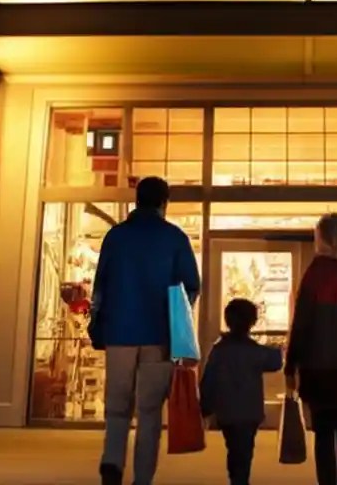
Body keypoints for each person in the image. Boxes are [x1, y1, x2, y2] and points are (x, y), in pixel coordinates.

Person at [92, 177, 201, 485]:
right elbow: (191, 287)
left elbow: (99, 286)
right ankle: (142, 477)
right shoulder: (175, 238)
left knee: (117, 406)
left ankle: (112, 461)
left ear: (137, 200)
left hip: (119, 333)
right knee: (149, 410)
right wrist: (177, 322)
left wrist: (97, 326)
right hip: (159, 335)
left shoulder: (116, 237)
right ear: (164, 202)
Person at [284, 213, 337, 485]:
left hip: (318, 366)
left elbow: (302, 323)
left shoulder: (316, 274)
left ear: (322, 238)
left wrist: (291, 363)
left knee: (323, 432)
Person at [200, 299, 284, 485]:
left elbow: (209, 380)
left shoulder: (219, 350)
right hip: (249, 412)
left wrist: (205, 406)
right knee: (245, 450)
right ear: (252, 322)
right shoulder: (254, 351)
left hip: (226, 411)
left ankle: (236, 478)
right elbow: (275, 362)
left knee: (233, 448)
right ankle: (240, 479)